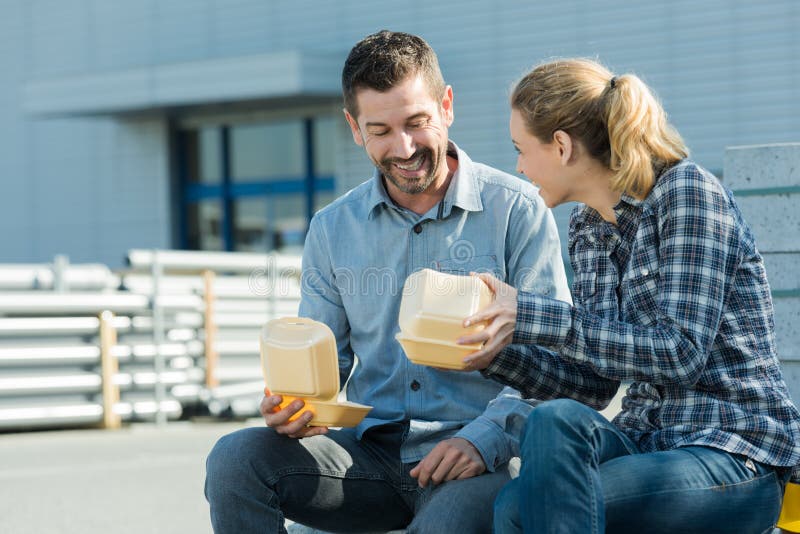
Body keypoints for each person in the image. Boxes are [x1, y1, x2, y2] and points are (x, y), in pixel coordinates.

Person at [204, 31, 571, 533]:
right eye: (380, 130)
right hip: (366, 459)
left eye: (417, 123)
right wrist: (295, 407)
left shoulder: (516, 211)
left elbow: (553, 363)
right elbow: (323, 359)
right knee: (236, 458)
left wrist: (483, 440)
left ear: (446, 106)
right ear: (355, 129)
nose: (404, 148)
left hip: (470, 463)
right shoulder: (333, 228)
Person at [455, 58, 800, 533]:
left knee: (535, 506)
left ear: (561, 146)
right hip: (646, 441)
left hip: (732, 452)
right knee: (550, 429)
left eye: (520, 149)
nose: (517, 166)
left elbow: (680, 353)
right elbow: (594, 386)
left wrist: (531, 313)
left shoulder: (687, 194)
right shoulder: (588, 228)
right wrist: (493, 353)